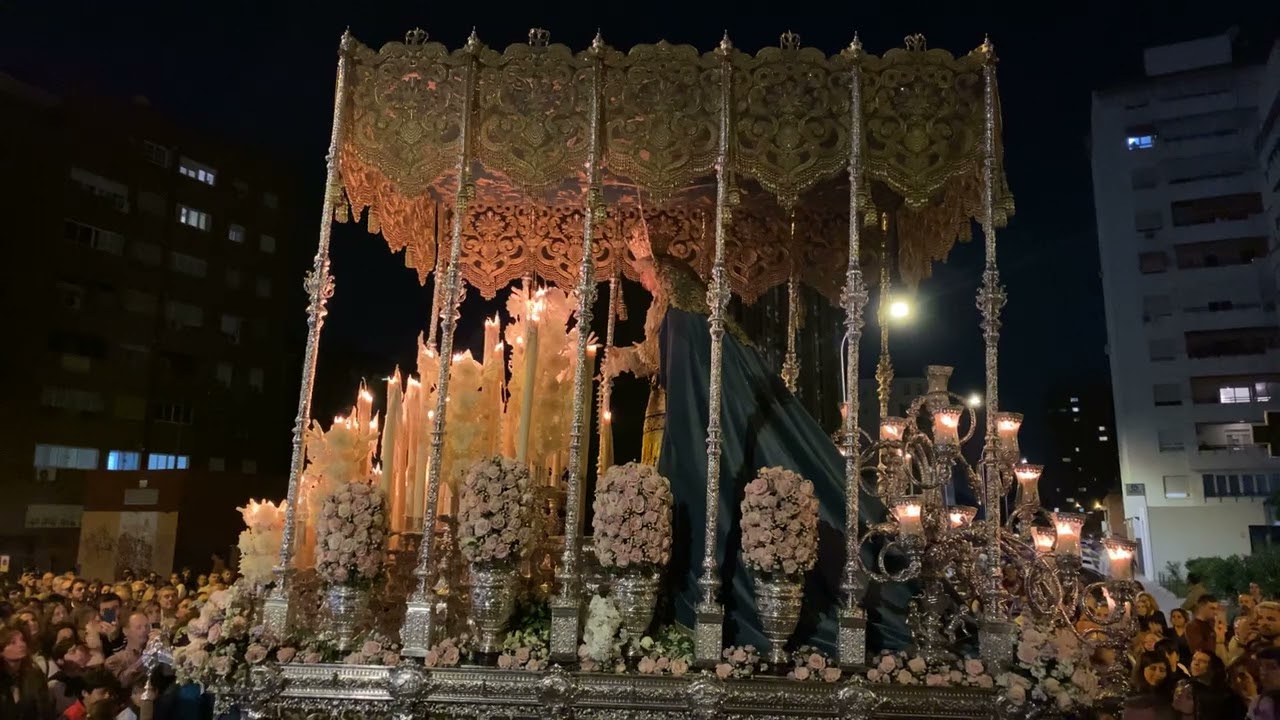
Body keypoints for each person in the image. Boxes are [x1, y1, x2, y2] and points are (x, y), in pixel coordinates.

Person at [602, 237, 911, 654]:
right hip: (665, 417)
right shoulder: (671, 315)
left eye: (646, 273)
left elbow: (685, 371)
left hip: (689, 427)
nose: (643, 283)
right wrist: (619, 359)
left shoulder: (683, 317)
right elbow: (653, 357)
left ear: (668, 275)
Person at [0, 627, 54, 720]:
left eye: (22, 640)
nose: (21, 644)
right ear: (1, 651)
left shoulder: (35, 675)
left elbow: (45, 710)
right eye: (13, 642)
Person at [1124, 650, 1175, 719]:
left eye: (1162, 670)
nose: (1157, 674)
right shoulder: (1129, 696)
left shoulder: (1172, 697)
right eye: (1153, 668)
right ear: (1142, 670)